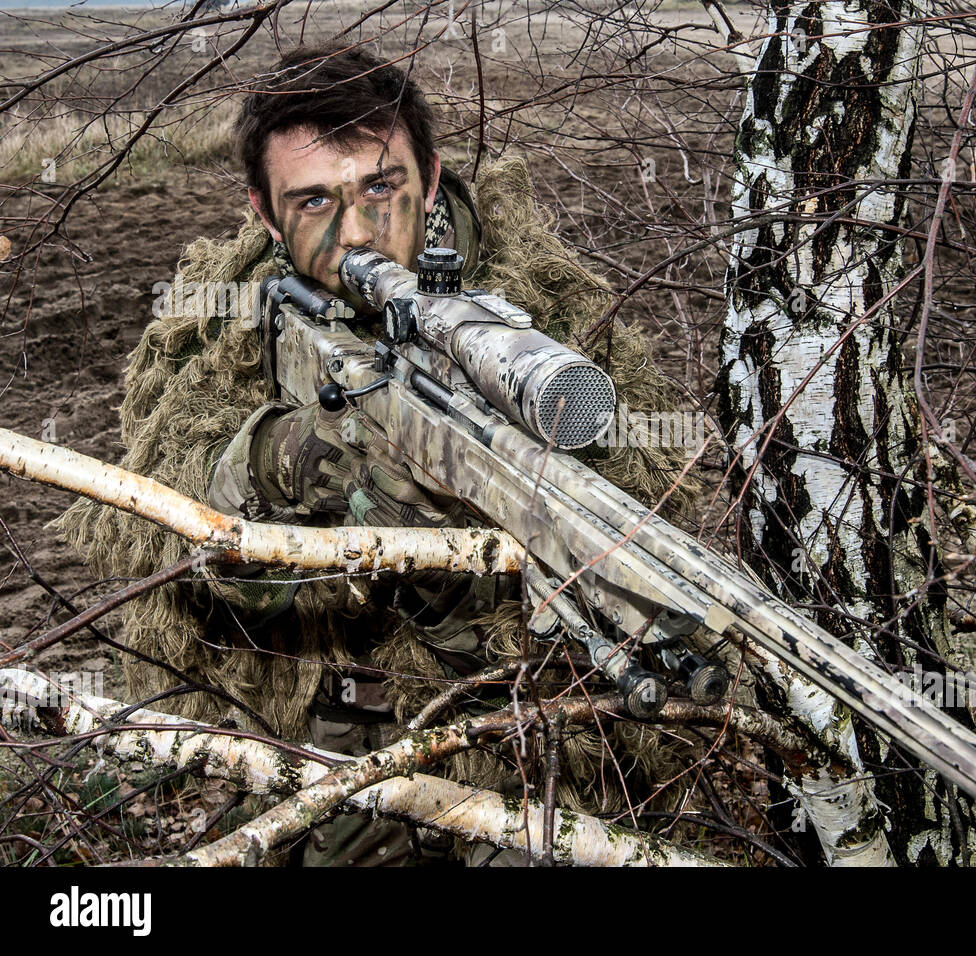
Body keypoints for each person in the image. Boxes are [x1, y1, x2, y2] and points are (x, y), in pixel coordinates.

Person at [55, 41, 696, 865]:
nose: (356, 231)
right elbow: (162, 541)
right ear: (264, 212)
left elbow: (641, 503)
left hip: (528, 733)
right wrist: (283, 459)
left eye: (381, 188)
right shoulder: (219, 315)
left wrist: (455, 538)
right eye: (315, 200)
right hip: (328, 737)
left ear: (430, 178)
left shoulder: (540, 314)